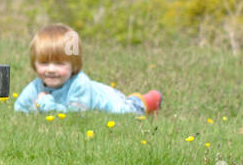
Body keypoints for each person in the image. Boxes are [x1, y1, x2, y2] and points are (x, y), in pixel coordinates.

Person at [14, 23, 162, 115]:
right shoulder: (35, 86)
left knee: (129, 112)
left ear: (74, 64)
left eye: (59, 64)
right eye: (44, 63)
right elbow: (19, 110)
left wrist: (46, 105)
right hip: (95, 95)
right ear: (35, 63)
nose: (51, 69)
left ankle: (146, 100)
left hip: (110, 101)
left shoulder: (79, 84)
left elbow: (75, 115)